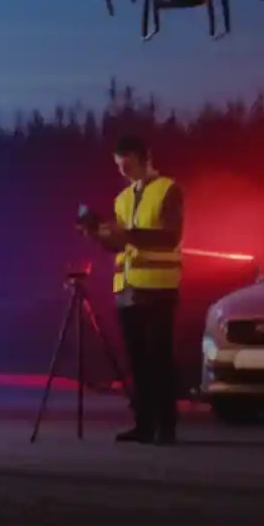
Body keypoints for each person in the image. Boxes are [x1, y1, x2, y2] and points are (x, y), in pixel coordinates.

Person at [81, 134, 184, 445]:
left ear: (143, 158)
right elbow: (119, 244)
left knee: (160, 359)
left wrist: (127, 234)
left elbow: (170, 236)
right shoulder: (122, 199)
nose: (123, 172)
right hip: (127, 290)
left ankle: (166, 427)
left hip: (158, 288)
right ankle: (144, 424)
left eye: (127, 164)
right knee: (138, 361)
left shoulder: (169, 190)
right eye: (118, 166)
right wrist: (98, 235)